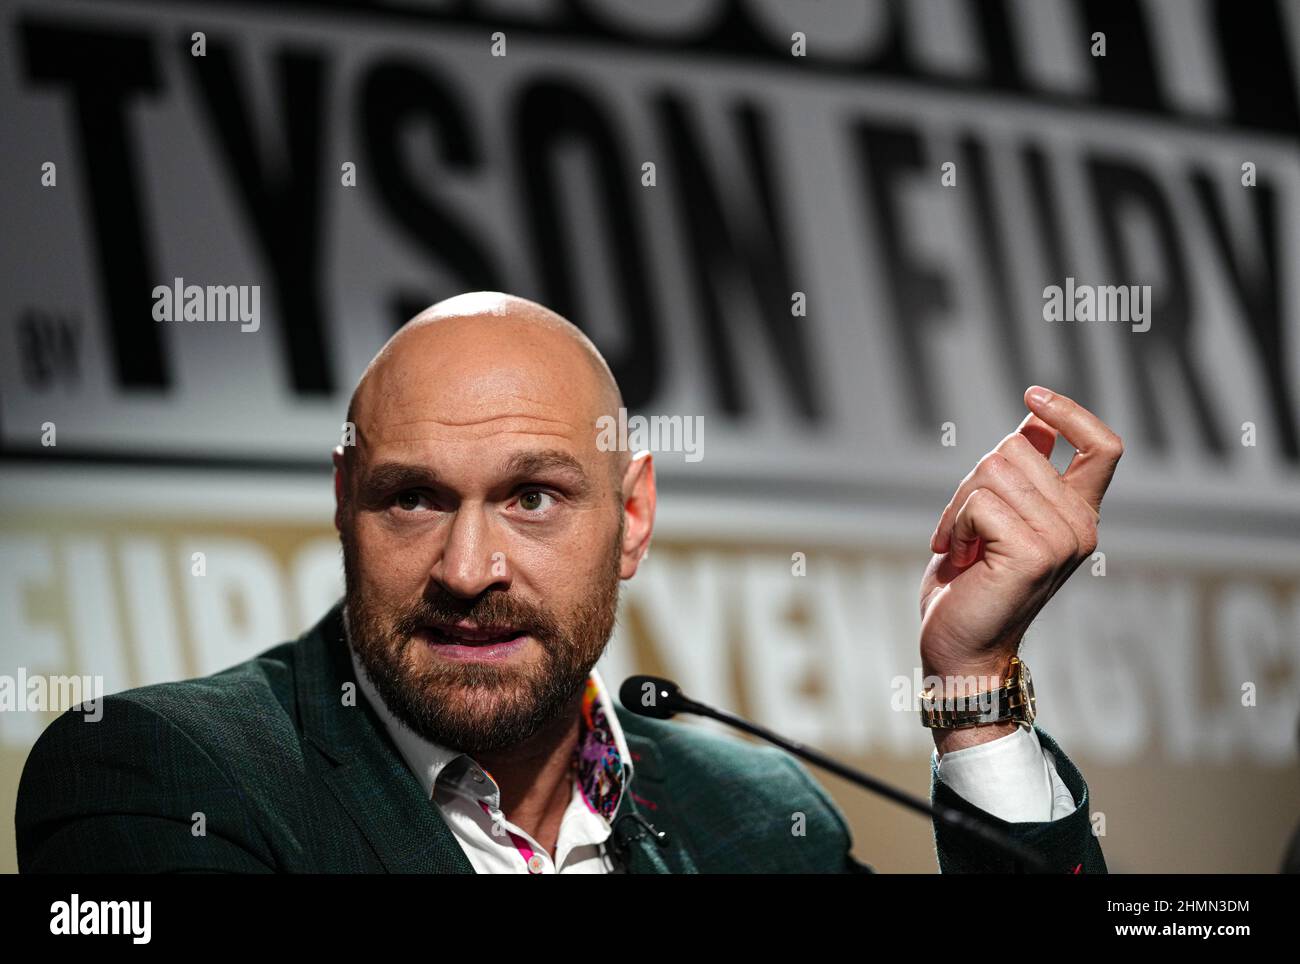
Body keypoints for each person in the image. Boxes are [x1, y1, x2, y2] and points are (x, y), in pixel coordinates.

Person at [16, 292, 1120, 873]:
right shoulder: (157, 776)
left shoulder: (754, 819)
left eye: (534, 495)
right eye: (411, 498)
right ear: (344, 501)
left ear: (631, 515)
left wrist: (972, 686)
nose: (466, 568)